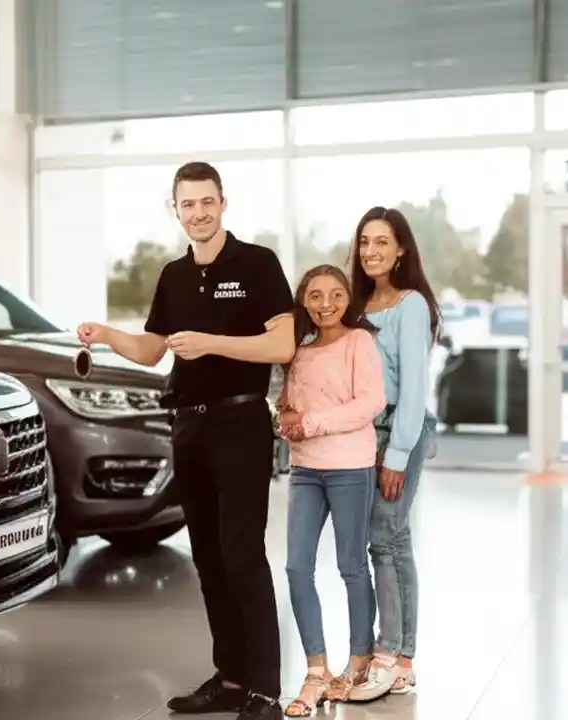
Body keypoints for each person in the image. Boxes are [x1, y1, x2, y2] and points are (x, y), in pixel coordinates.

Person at [77, 161, 295, 720]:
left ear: (224, 203)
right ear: (175, 210)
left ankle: (265, 690)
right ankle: (230, 680)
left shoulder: (257, 264)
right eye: (187, 204)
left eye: (206, 202)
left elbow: (283, 346)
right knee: (209, 559)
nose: (198, 213)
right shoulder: (173, 275)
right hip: (189, 426)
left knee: (244, 555)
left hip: (240, 423)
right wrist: (105, 335)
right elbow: (153, 350)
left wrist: (214, 342)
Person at [273, 264, 387, 717]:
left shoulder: (360, 341)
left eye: (335, 294)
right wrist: (283, 418)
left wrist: (312, 422)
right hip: (305, 470)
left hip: (349, 468)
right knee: (297, 568)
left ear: (347, 298)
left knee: (351, 565)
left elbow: (370, 403)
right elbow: (289, 405)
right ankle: (315, 669)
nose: (325, 304)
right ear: (303, 299)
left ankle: (359, 660)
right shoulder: (297, 350)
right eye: (315, 295)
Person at [341, 207, 441, 701]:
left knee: (389, 538)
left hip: (399, 429)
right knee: (368, 541)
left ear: (402, 248)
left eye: (382, 242)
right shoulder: (356, 303)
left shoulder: (411, 304)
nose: (371, 251)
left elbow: (416, 387)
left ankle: (398, 657)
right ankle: (378, 651)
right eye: (364, 242)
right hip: (360, 433)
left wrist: (397, 453)